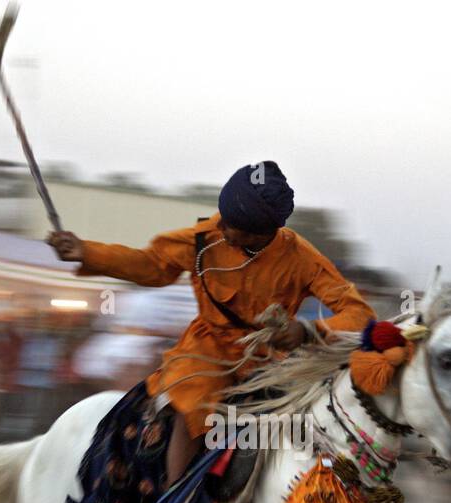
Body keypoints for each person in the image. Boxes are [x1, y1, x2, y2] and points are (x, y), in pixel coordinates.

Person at [47, 160, 374, 483]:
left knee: (317, 424)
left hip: (272, 361)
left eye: (235, 228)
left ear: (265, 233)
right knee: (195, 404)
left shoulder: (302, 259)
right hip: (206, 350)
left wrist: (307, 331)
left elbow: (360, 316)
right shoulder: (203, 239)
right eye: (224, 219)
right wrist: (86, 252)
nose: (223, 230)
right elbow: (151, 264)